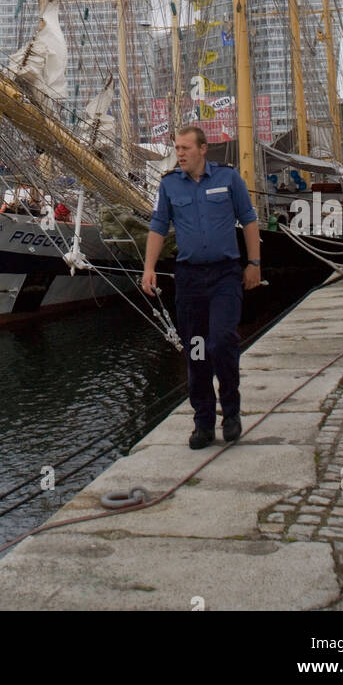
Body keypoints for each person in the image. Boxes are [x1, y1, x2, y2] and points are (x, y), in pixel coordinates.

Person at [141, 124, 261, 449]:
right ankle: (203, 422)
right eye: (176, 148)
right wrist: (149, 268)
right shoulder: (169, 186)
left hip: (224, 275)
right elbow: (158, 226)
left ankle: (231, 411)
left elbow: (249, 219)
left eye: (185, 148)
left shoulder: (228, 179)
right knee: (195, 350)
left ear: (202, 149)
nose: (179, 154)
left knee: (222, 341)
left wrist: (254, 264)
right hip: (190, 281)